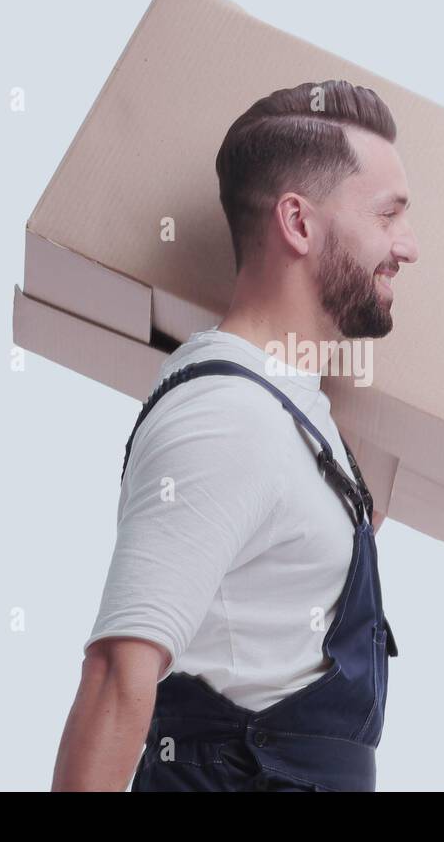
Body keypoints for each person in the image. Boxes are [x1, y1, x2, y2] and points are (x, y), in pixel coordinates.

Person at [51, 79, 419, 791]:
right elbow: (115, 676)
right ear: (299, 224)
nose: (408, 247)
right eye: (388, 215)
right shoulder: (228, 416)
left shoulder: (297, 410)